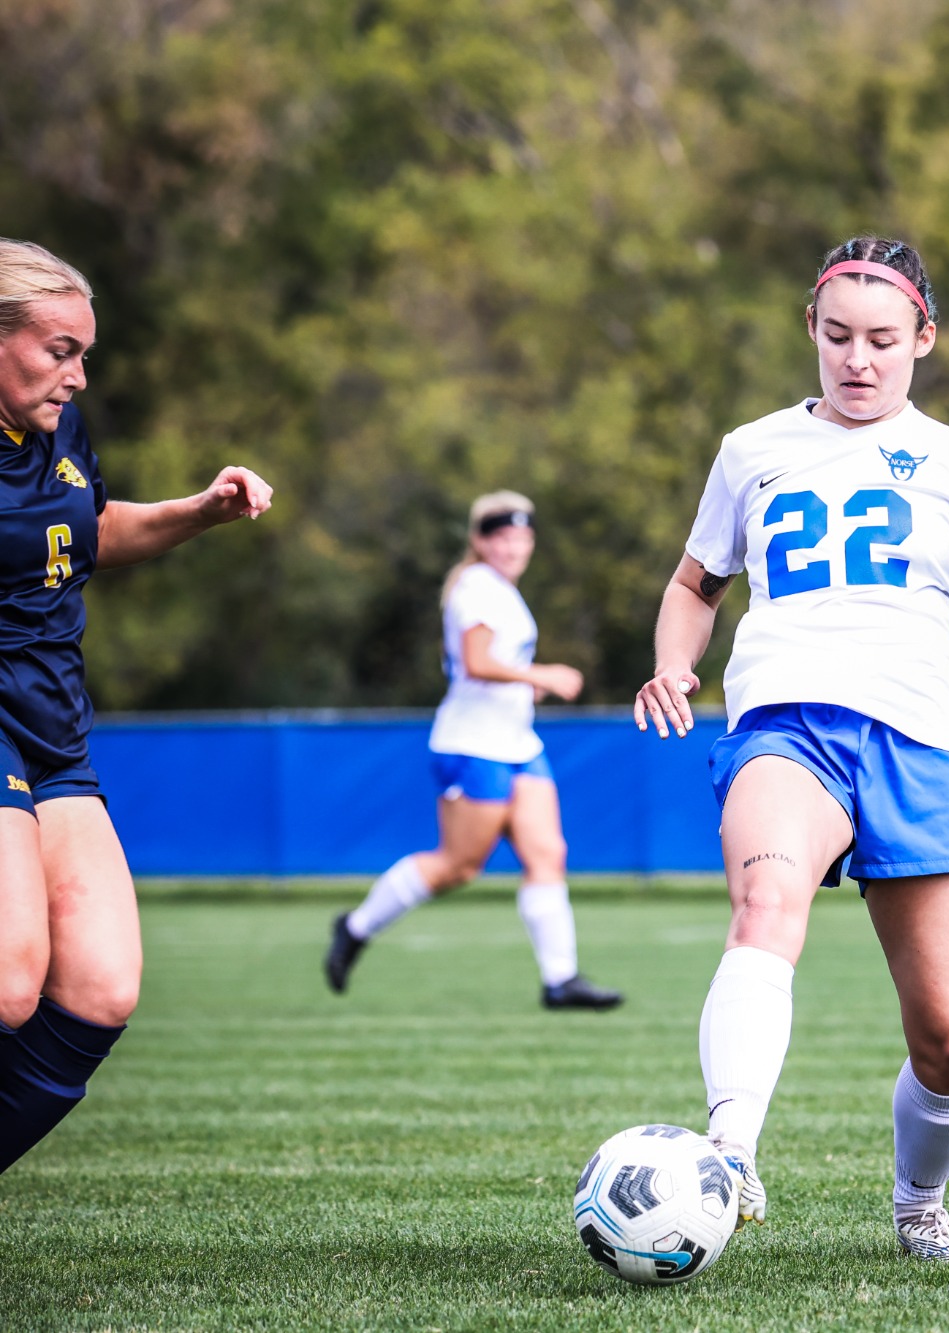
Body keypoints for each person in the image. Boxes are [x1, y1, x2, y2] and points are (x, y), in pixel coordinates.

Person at [633, 236, 949, 1259]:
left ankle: (918, 1200)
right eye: (835, 337)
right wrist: (674, 661)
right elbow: (697, 581)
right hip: (786, 727)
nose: (856, 359)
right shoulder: (752, 449)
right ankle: (728, 1152)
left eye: (879, 339)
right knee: (763, 904)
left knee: (948, 1044)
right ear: (810, 333)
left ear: (923, 340)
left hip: (920, 750)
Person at [0, 239, 274, 1172]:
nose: (76, 374)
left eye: (84, 354)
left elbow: (91, 529)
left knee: (102, 987)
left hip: (52, 728)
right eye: (58, 350)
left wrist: (200, 510)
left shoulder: (56, 434)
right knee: (7, 979)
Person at [324, 492, 623, 1010]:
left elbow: (491, 667)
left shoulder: (502, 591)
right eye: (503, 537)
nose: (514, 547)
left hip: (517, 742)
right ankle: (355, 927)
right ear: (481, 541)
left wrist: (526, 686)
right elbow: (478, 662)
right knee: (459, 866)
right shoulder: (478, 587)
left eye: (522, 537)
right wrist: (542, 675)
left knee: (547, 853)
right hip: (472, 745)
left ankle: (561, 980)